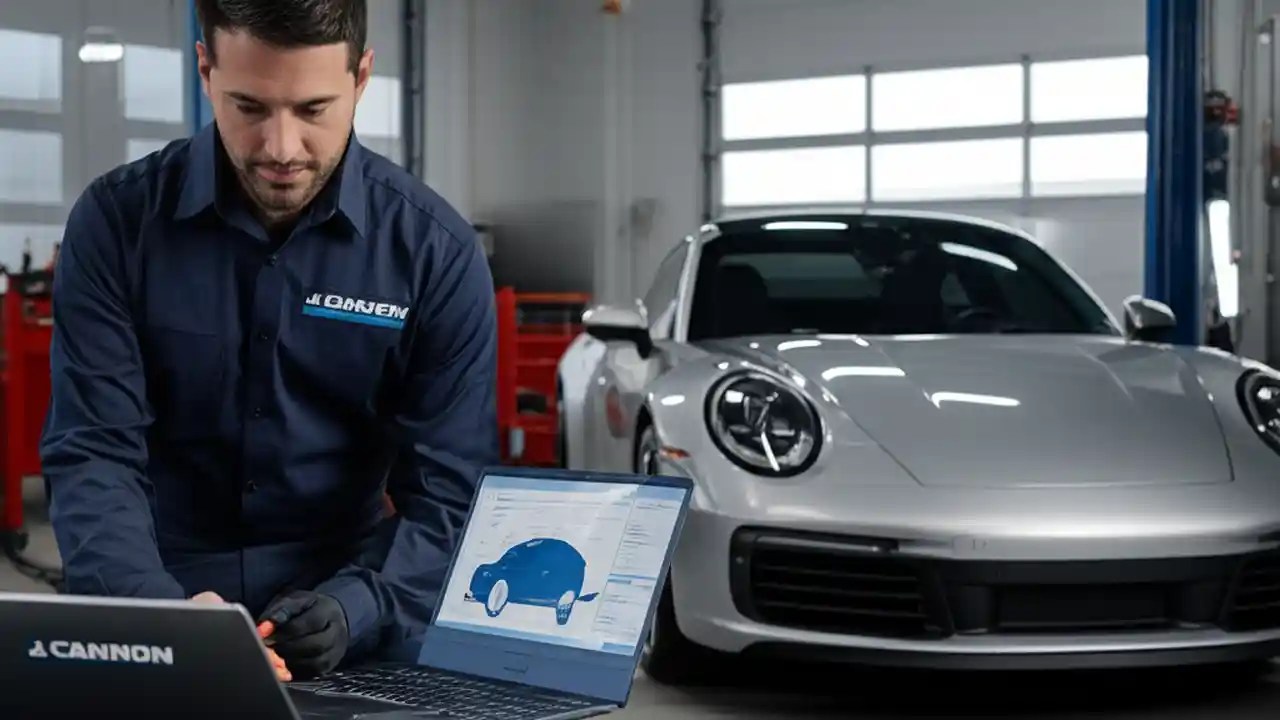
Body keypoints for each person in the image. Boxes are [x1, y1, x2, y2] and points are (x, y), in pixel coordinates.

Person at [39, 0, 498, 681]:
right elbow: (94, 453)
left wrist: (357, 606)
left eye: (313, 109)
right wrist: (152, 614)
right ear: (205, 70)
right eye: (249, 107)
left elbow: (451, 497)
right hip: (156, 590)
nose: (281, 148)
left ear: (362, 77)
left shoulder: (435, 255)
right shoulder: (117, 226)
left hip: (350, 604)